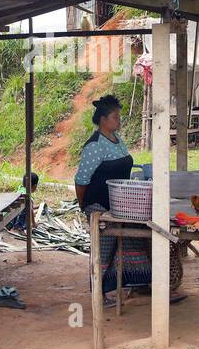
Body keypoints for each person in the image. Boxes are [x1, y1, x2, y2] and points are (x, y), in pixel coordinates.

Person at [76, 94, 184, 305]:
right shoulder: (94, 145)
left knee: (137, 240)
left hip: (121, 203)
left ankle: (140, 283)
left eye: (119, 116)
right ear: (103, 120)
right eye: (115, 117)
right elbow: (81, 180)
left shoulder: (118, 141)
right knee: (104, 249)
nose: (119, 120)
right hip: (100, 204)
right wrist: (85, 206)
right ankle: (100, 293)